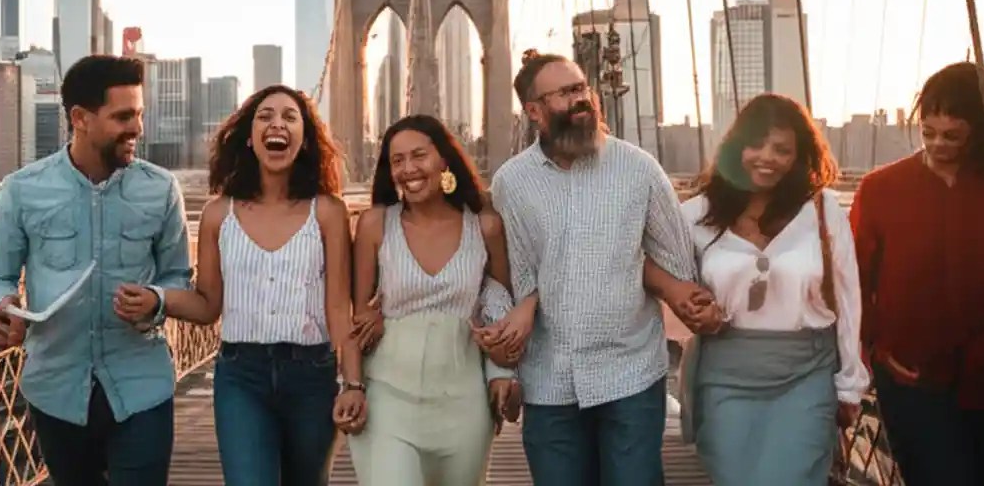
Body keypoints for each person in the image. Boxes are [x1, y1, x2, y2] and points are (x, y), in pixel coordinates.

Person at [487, 51, 707, 484]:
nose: (580, 99)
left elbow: (679, 264)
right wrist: (504, 362)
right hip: (549, 378)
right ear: (534, 111)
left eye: (581, 88)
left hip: (629, 375)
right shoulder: (511, 183)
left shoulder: (640, 170)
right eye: (565, 93)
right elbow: (511, 278)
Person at [0, 55, 191, 486]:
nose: (138, 128)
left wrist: (156, 301)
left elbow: (178, 279)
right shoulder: (21, 191)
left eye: (140, 114)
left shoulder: (162, 190)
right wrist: (1, 308)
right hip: (56, 389)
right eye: (124, 116)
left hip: (141, 386)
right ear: (80, 118)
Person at [852, 62, 984, 486]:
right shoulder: (879, 189)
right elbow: (851, 282)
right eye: (928, 132)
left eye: (952, 136)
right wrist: (878, 346)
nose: (937, 144)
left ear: (981, 131)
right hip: (912, 382)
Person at [137, 84, 354, 486]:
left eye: (290, 117)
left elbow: (340, 309)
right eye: (265, 116)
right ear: (250, 138)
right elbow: (207, 306)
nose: (278, 124)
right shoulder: (219, 214)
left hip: (313, 376)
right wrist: (158, 299)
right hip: (241, 377)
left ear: (305, 139)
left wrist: (354, 383)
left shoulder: (328, 212)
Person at [673, 93, 868, 485]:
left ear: (799, 157)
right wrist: (694, 310)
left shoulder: (824, 210)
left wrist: (850, 385)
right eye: (756, 144)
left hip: (806, 373)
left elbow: (849, 302)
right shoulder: (695, 214)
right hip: (725, 373)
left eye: (782, 149)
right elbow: (669, 285)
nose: (767, 157)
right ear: (736, 146)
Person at [340, 115, 529, 485]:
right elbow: (355, 319)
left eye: (418, 156)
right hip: (387, 400)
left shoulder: (485, 226)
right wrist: (352, 386)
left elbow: (499, 307)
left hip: (464, 404)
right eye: (397, 161)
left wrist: (502, 374)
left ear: (444, 160)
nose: (408, 169)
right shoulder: (375, 224)